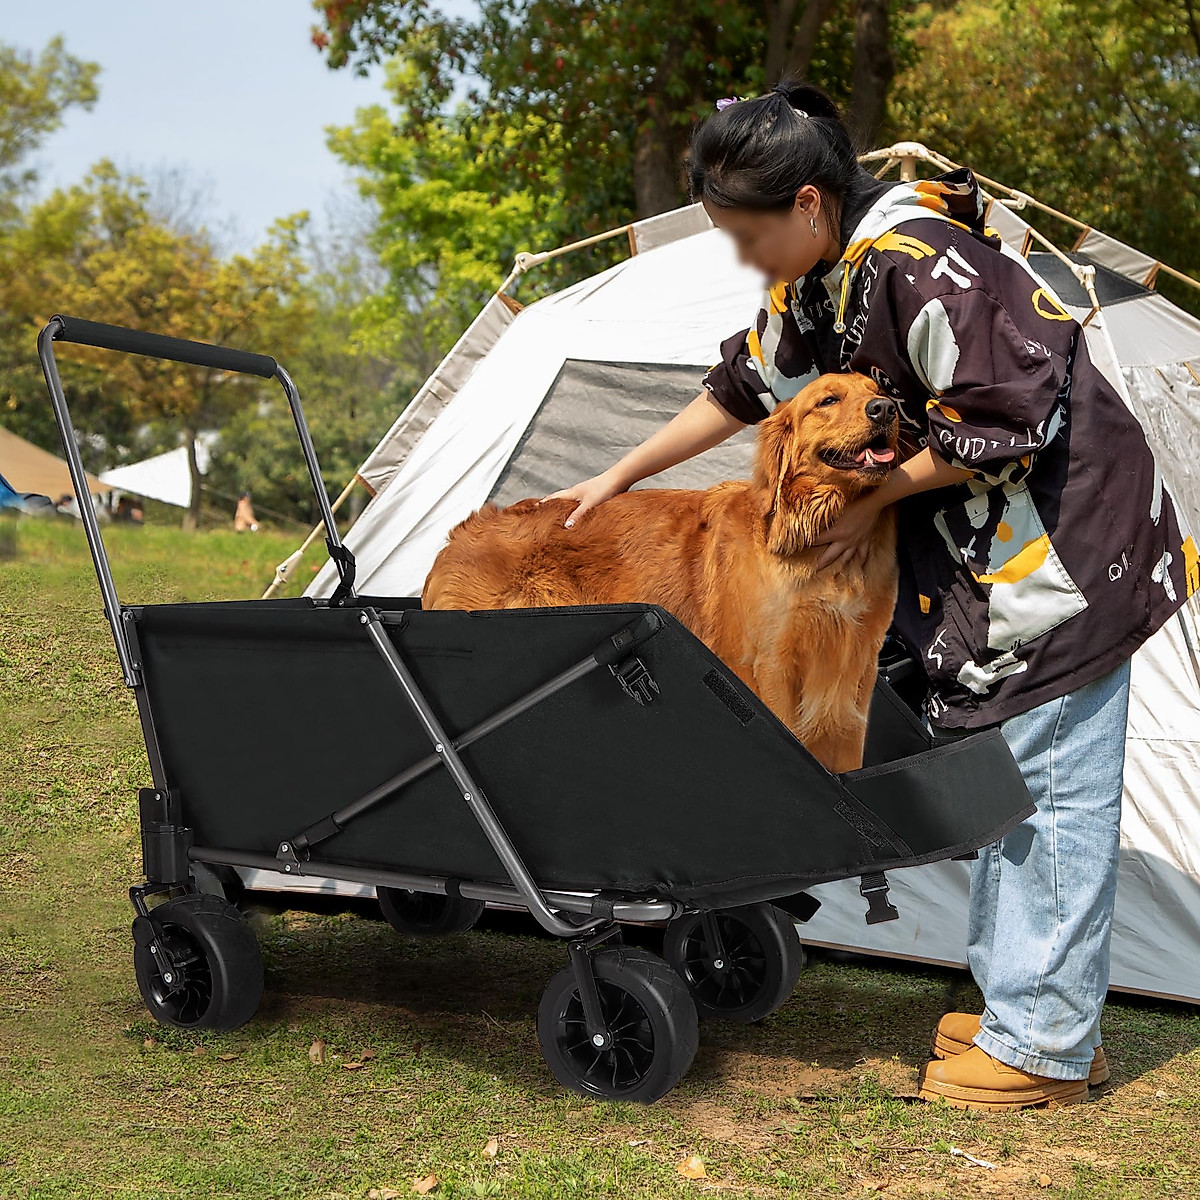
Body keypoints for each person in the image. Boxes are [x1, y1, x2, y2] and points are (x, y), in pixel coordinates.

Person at [537, 75, 1197, 1111]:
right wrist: (618, 474)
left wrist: (875, 493)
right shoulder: (820, 278)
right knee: (1009, 792)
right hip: (987, 569)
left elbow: (1018, 411)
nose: (743, 259)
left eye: (746, 235)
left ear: (807, 206)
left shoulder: (928, 265)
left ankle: (1048, 1047)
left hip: (1067, 550)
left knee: (1052, 790)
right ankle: (1031, 1007)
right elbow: (746, 385)